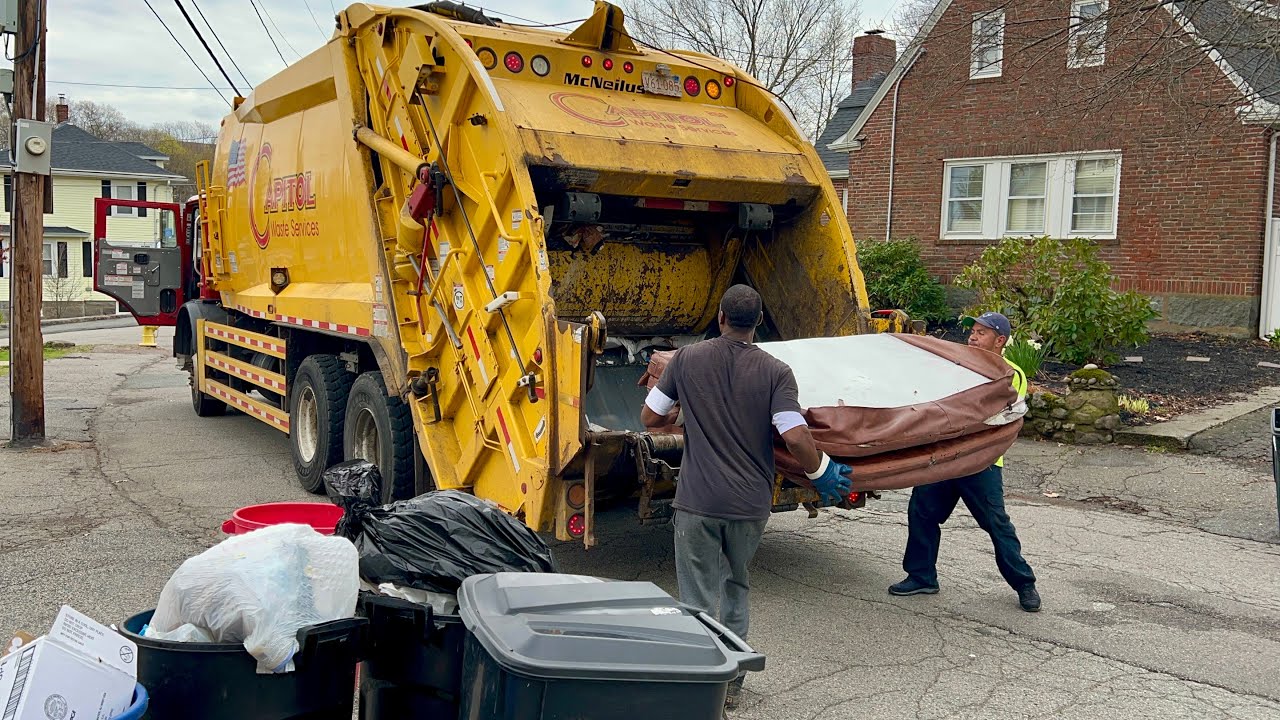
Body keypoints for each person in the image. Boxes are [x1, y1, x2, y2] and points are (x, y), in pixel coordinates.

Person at [641, 284, 853, 708]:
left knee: (696, 596)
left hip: (697, 503)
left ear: (720, 316)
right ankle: (733, 681)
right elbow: (794, 435)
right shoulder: (776, 371)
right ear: (758, 322)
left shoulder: (685, 360)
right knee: (735, 585)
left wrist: (682, 407)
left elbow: (650, 417)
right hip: (749, 505)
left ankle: (700, 682)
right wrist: (820, 471)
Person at [888, 311, 1041, 612]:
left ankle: (1025, 583)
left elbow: (1002, 415)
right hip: (945, 457)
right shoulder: (955, 364)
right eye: (972, 330)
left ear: (1000, 340)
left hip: (981, 461)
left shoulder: (1012, 374)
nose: (972, 336)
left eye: (981, 332)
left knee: (996, 524)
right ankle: (921, 576)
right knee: (922, 512)